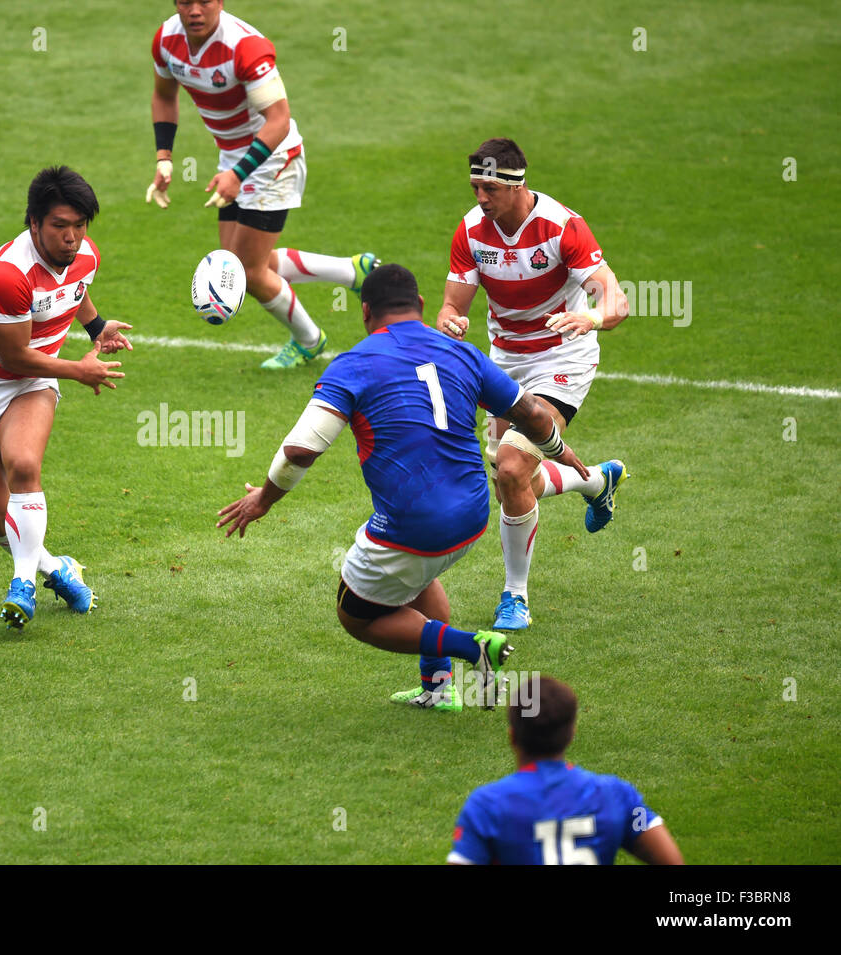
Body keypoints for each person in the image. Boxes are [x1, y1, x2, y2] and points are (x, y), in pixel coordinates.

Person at [217, 265, 589, 709]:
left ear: (366, 311)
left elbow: (300, 450)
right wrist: (557, 447)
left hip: (415, 523)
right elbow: (531, 411)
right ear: (422, 307)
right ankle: (438, 689)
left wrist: (264, 498)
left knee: (356, 613)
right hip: (473, 514)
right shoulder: (462, 352)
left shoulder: (354, 364)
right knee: (416, 572)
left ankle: (473, 648)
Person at [436, 138, 630, 631]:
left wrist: (590, 318)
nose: (480, 197)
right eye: (475, 186)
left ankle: (514, 597)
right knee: (511, 481)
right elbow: (453, 304)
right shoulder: (471, 230)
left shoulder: (562, 227)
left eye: (489, 188)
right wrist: (450, 320)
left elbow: (616, 302)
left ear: (515, 185)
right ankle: (595, 480)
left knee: (512, 464)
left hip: (562, 358)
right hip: (503, 364)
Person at [0, 166, 132, 630]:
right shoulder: (5, 276)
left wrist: (96, 326)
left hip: (32, 383)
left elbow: (74, 290)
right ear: (33, 223)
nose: (72, 238)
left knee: (23, 466)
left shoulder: (85, 255)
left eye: (79, 226)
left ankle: (22, 584)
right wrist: (79, 370)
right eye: (59, 226)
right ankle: (57, 567)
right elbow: (14, 356)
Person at [147, 0, 379, 369]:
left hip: (273, 159)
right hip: (231, 159)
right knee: (241, 261)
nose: (194, 10)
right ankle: (354, 272)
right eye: (185, 1)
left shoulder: (245, 47)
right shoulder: (166, 40)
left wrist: (239, 175)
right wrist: (164, 157)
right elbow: (164, 95)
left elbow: (279, 120)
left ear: (220, 2)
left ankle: (309, 340)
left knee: (247, 273)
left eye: (204, 1)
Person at [449, 675, 684, 864]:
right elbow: (671, 859)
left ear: (512, 737)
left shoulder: (488, 806)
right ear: (571, 734)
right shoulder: (618, 796)